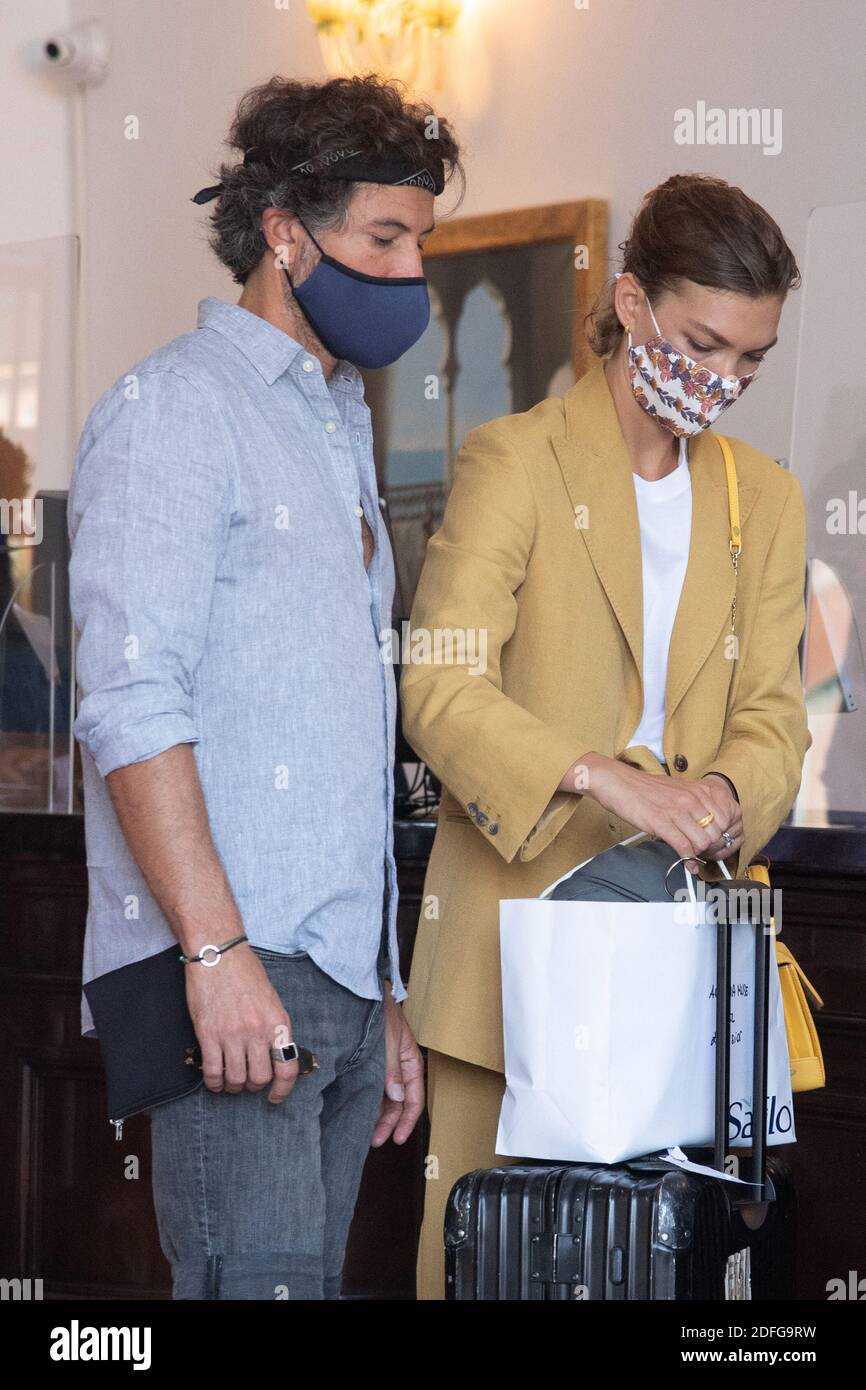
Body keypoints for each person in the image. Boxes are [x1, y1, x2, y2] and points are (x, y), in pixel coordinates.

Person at [68, 73, 463, 1300]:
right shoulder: (174, 407)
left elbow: (333, 723)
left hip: (339, 980)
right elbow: (132, 705)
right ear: (284, 230)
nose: (407, 275)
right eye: (380, 239)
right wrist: (216, 951)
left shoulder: (334, 416)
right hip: (228, 970)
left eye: (420, 244)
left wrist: (386, 995)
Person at [399, 173, 813, 1300]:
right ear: (629, 304)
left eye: (750, 359)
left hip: (686, 971)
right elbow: (436, 688)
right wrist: (602, 779)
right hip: (509, 956)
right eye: (702, 342)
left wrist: (726, 790)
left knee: (668, 1275)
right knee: (497, 1267)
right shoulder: (513, 461)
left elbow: (773, 713)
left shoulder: (766, 501)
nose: (722, 380)